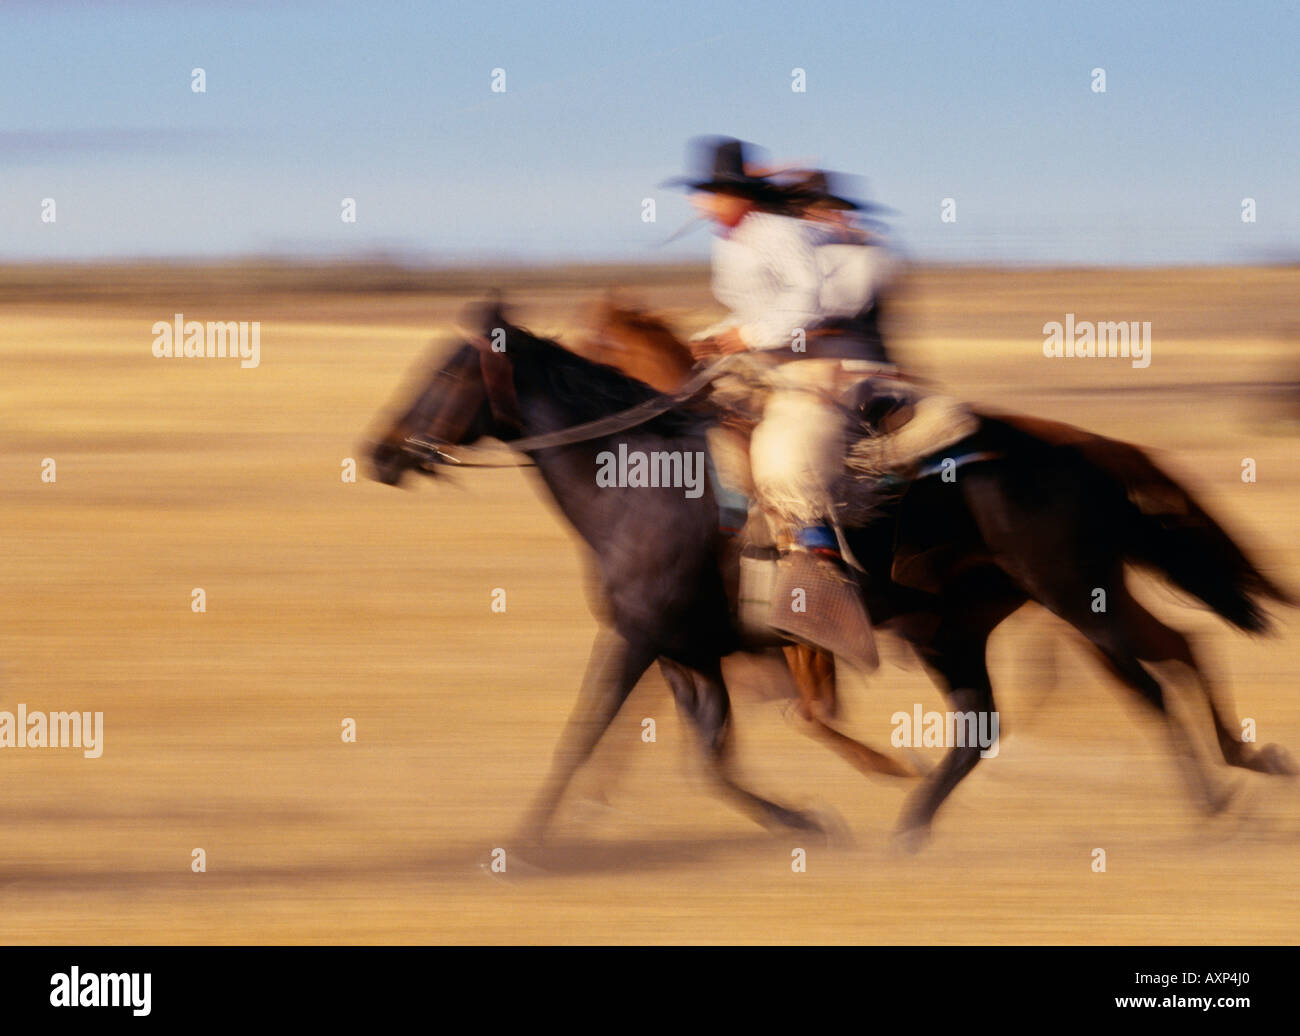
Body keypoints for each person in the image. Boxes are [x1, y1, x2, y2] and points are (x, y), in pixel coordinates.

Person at [665, 138, 885, 669]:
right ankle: (728, 548)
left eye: (713, 192)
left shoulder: (780, 232)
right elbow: (746, 309)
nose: (703, 203)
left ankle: (822, 571)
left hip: (809, 363)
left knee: (784, 458)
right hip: (762, 360)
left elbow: (805, 302)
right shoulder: (730, 241)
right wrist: (709, 340)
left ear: (739, 194)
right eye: (702, 193)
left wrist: (746, 335)